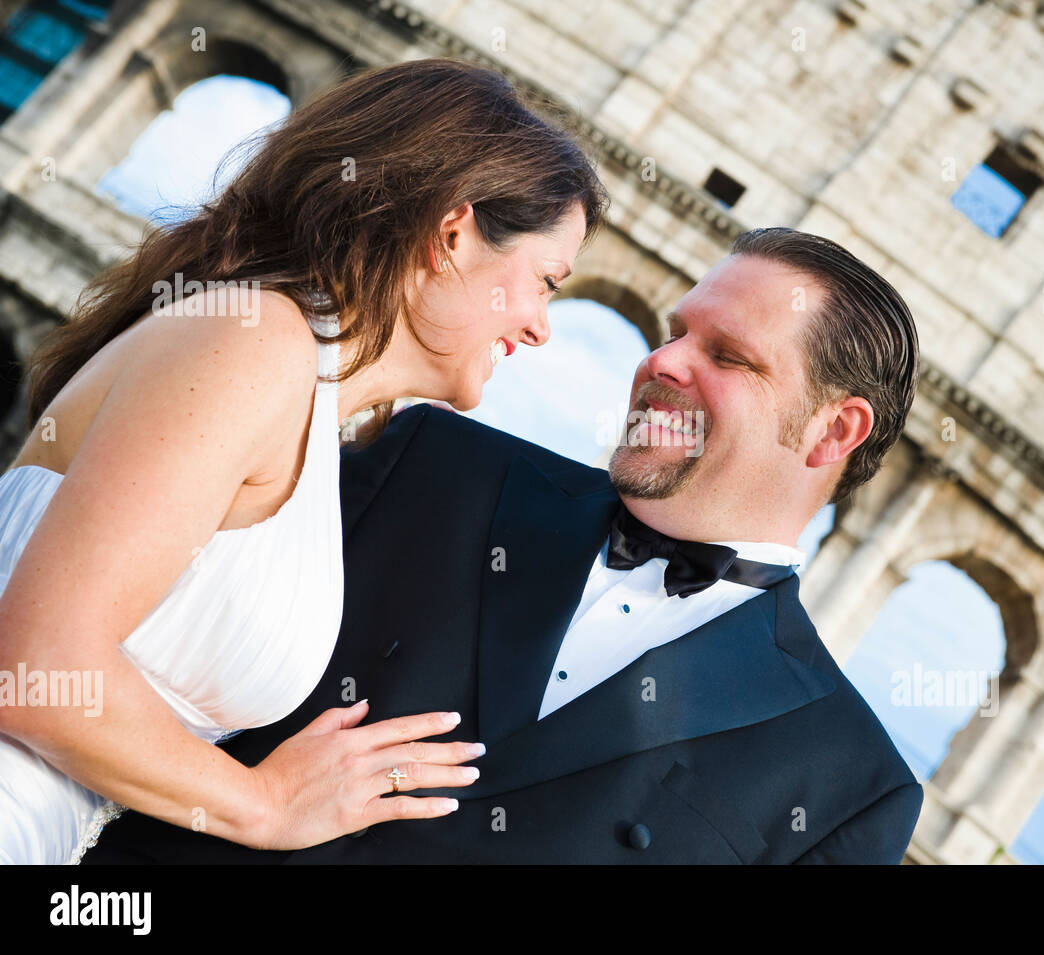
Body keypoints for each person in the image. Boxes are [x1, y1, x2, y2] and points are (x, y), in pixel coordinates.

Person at [84, 226, 924, 865]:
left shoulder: (849, 781)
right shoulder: (433, 461)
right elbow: (120, 636)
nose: (662, 362)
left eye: (726, 355)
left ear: (832, 430)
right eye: (673, 332)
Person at [0, 58, 607, 864]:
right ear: (453, 234)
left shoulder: (310, 401)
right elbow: (34, 666)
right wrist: (263, 802)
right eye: (544, 281)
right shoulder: (255, 345)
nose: (539, 328)